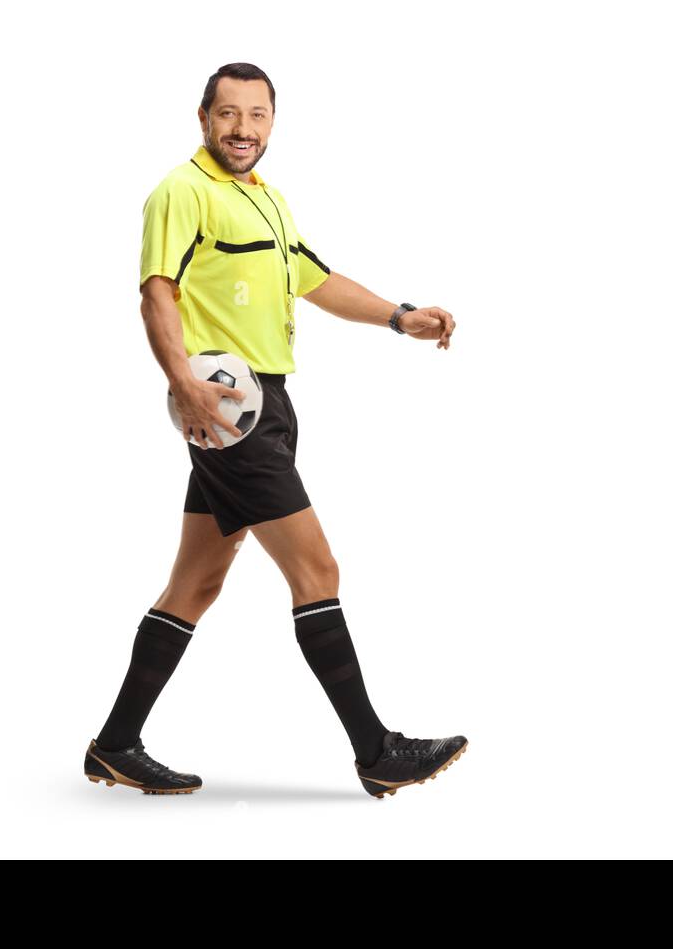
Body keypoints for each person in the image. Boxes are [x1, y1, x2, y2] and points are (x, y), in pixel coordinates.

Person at [83, 63, 467, 799]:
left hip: (271, 406)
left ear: (271, 123)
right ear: (203, 117)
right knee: (316, 572)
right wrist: (183, 385)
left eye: (258, 116)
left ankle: (115, 745)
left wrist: (399, 316)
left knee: (195, 583)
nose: (244, 130)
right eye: (229, 114)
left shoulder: (267, 200)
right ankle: (376, 750)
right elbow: (155, 294)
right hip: (227, 412)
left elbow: (316, 280)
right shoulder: (181, 192)